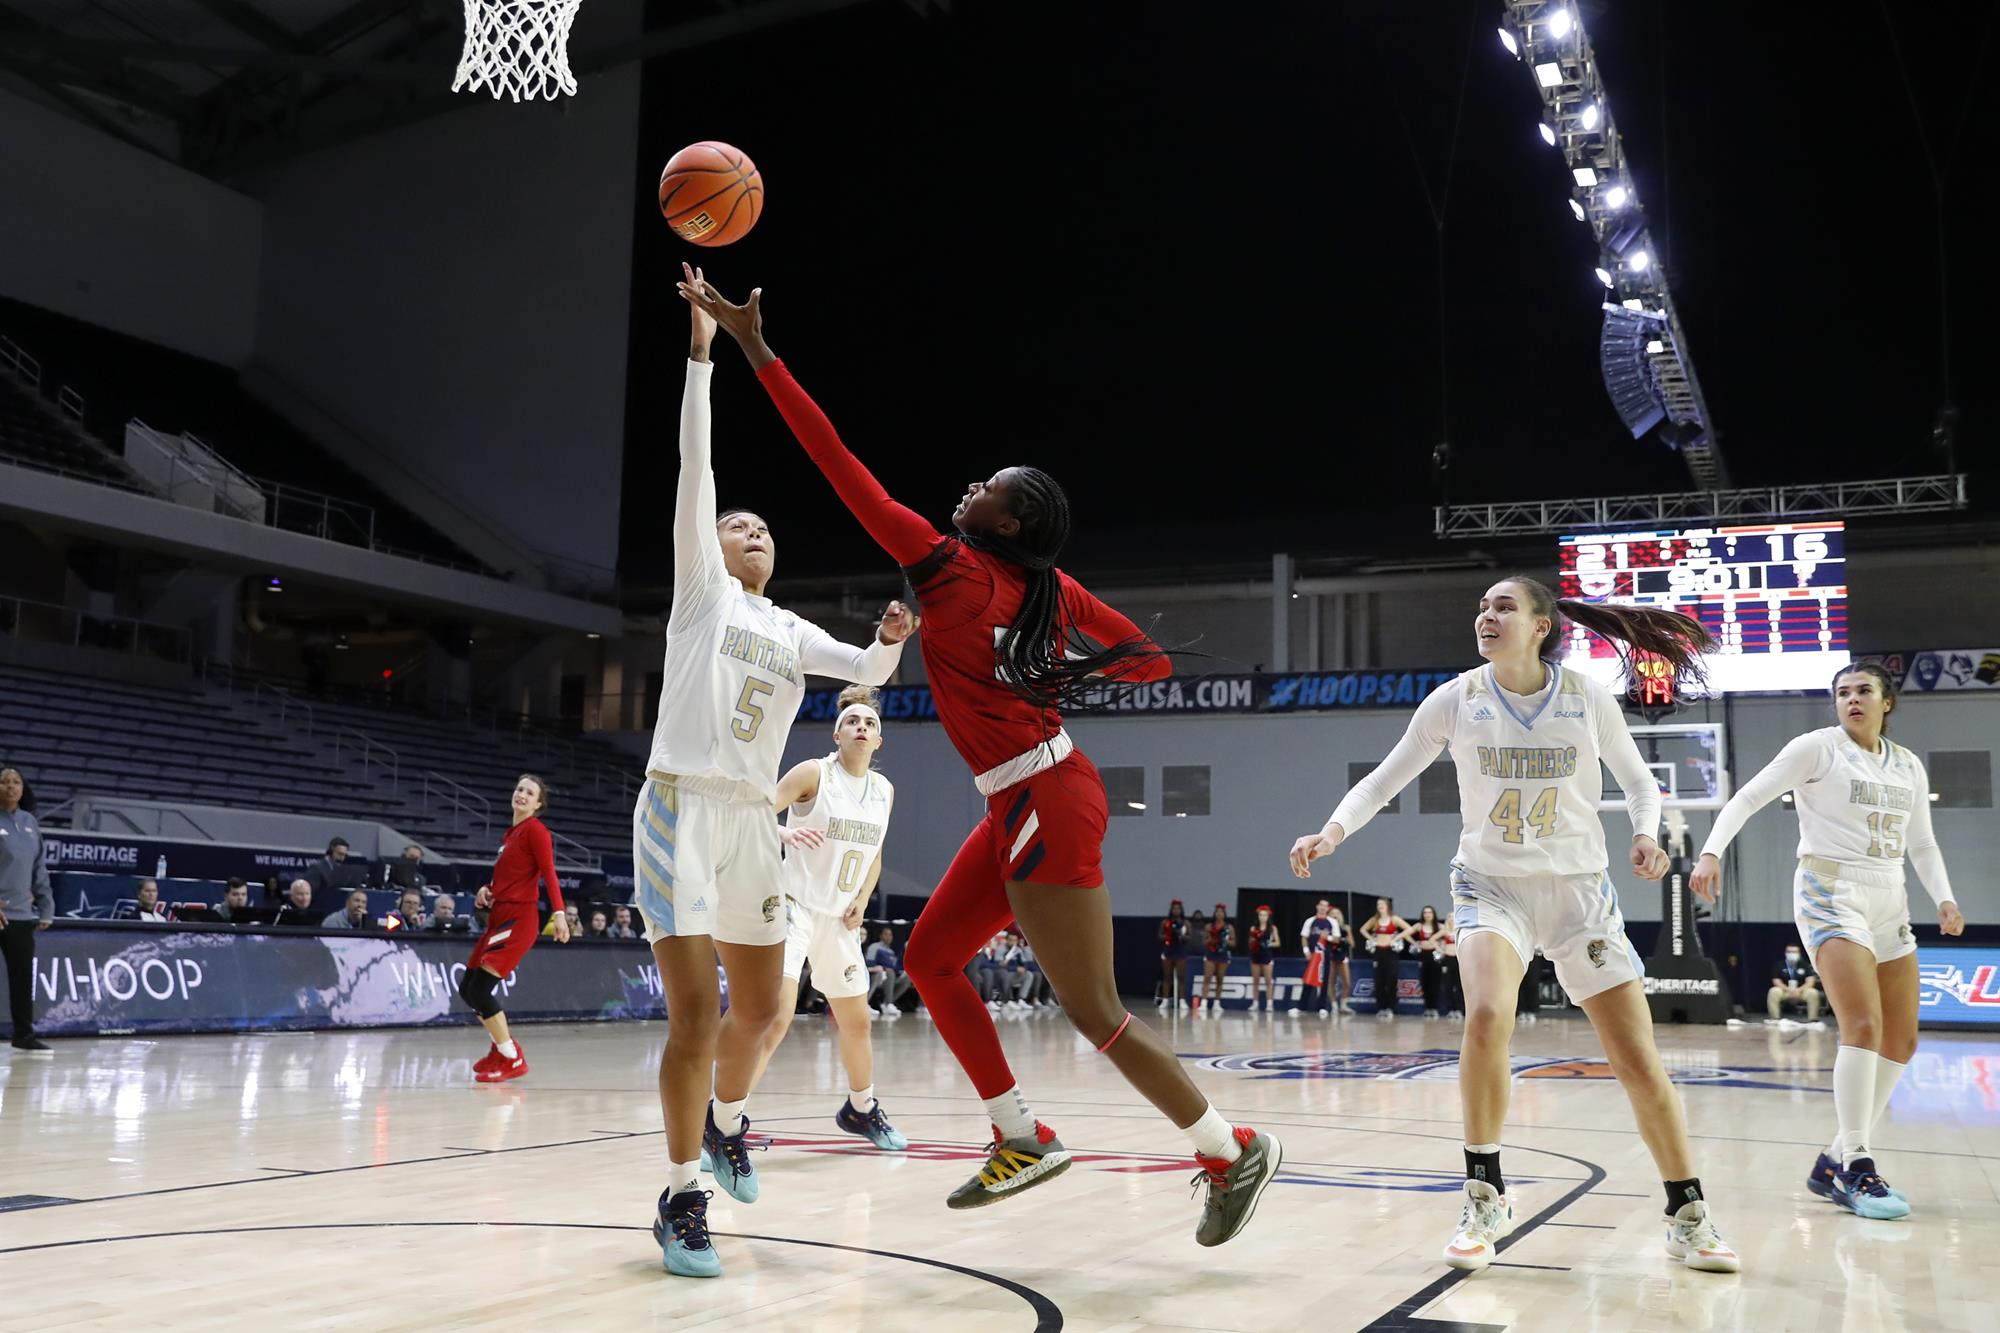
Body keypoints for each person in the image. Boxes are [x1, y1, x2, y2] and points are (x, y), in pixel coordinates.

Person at [690, 273, 1281, 1248]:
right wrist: (1045, 665)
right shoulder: (1049, 591)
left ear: (1005, 523)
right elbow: (1150, 661)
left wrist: (758, 350)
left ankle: (1229, 1147)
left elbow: (837, 463)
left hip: (1046, 797)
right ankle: (1019, 1133)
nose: (970, 488)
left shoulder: (949, 566)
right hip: (1027, 795)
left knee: (1094, 1009)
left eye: (988, 488)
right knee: (930, 958)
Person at [1289, 575, 1739, 1274]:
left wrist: (1646, 835)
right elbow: (1384, 778)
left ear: (1540, 626)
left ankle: (1688, 1213)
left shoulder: (1585, 697)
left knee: (1637, 1060)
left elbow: (1638, 782)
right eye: (1481, 607)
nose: (1486, 616)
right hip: (1489, 885)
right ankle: (1484, 1195)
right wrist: (1332, 831)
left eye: (1503, 607)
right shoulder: (1457, 698)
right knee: (1488, 1014)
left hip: (1579, 893)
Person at [639, 270, 914, 1280]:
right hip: (679, 807)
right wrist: (700, 354)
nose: (749, 530)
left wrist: (893, 638)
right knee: (695, 1015)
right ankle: (680, 1196)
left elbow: (870, 667)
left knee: (762, 1009)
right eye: (735, 524)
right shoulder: (700, 594)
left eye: (762, 528)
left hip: (753, 820)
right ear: (709, 547)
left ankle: (725, 1124)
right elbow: (697, 465)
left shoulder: (790, 630)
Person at [1690, 662, 1964, 1221]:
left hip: (1889, 896)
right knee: (1861, 1026)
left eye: (1864, 690)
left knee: (1902, 1041)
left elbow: (1923, 843)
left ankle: (1834, 1159)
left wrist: (1944, 897)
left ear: (1887, 701)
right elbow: (1746, 798)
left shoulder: (1906, 765)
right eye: (1842, 693)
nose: (1852, 700)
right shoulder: (1817, 748)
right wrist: (1711, 852)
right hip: (1830, 889)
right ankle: (1858, 1165)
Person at [736, 684, 911, 1153]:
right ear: (837, 734)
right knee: (775, 1018)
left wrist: (863, 899)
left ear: (879, 740)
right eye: (852, 722)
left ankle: (861, 1108)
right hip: (792, 905)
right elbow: (752, 812)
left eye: (869, 723)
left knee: (857, 1021)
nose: (861, 728)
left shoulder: (884, 791)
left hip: (838, 919)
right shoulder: (814, 773)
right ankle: (723, 1122)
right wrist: (783, 833)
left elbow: (874, 854)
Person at [461, 775, 569, 1084]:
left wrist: (559, 914)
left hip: (519, 920)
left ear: (538, 804)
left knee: (479, 990)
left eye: (530, 793)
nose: (522, 794)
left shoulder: (536, 830)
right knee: (467, 989)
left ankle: (512, 1057)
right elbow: (510, 877)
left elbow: (549, 872)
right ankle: (501, 1048)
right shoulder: (511, 835)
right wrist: (488, 889)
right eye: (520, 789)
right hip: (500, 915)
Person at [0, 766, 54, 1057]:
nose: (10, 787)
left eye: (16, 782)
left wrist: (46, 906)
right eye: (4, 782)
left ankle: (24, 1034)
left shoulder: (30, 822)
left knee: (22, 979)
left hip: (21, 915)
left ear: (23, 788)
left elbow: (39, 869)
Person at [1359, 898, 1411, 1019]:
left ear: (1388, 906)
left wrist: (1396, 938)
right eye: (1378, 904)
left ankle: (1390, 1007)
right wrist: (1372, 939)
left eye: (1382, 904)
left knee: (1391, 979)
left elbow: (1409, 929)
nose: (1380, 906)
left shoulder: (1394, 919)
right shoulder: (1375, 919)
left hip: (1391, 952)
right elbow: (1362, 929)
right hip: (1378, 952)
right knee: (1379, 980)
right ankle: (1381, 1007)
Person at [1294, 899, 1338, 1015]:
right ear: (1317, 906)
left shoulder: (1332, 922)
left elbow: (1336, 939)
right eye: (1321, 905)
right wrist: (1306, 951)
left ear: (1328, 908)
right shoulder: (1310, 921)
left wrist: (1327, 937)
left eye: (1325, 906)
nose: (1323, 908)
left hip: (1325, 955)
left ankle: (1322, 1007)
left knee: (1324, 980)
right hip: (1313, 955)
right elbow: (1304, 937)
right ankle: (1302, 1007)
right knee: (1308, 979)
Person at [304, 837, 368, 908]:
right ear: (331, 852)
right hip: (318, 909)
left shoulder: (342, 872)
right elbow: (310, 893)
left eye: (344, 855)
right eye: (339, 854)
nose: (341, 858)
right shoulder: (317, 868)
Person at [1767, 944, 1822, 1023]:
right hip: (1785, 991)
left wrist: (1798, 990)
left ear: (1799, 953)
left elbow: (1810, 982)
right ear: (1785, 953)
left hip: (1801, 991)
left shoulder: (1805, 965)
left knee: (1813, 993)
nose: (1792, 954)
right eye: (1789, 952)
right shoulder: (1779, 965)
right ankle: (1775, 1019)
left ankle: (1813, 1020)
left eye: (1794, 952)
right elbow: (1776, 981)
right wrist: (1788, 989)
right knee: (1773, 991)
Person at [1411, 905, 1447, 1018]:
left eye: (1430, 912)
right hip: (1423, 955)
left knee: (1435, 983)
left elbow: (1450, 933)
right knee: (1424, 982)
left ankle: (1434, 1008)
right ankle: (1427, 1008)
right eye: (1425, 912)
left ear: (1433, 914)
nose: (1427, 914)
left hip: (1435, 955)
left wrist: (1442, 947)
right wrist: (1415, 943)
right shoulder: (1419, 926)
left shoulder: (1440, 926)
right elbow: (1406, 933)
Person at [1200, 903, 1235, 1015]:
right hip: (1211, 954)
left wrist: (1225, 940)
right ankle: (1203, 1002)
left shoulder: (1229, 927)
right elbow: (1204, 941)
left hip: (1222, 955)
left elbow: (1233, 943)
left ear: (1224, 914)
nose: (1219, 914)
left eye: (1221, 912)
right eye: (1217, 912)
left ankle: (1217, 1003)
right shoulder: (1209, 926)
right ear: (1214, 914)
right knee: (1207, 978)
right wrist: (1211, 939)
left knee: (1220, 979)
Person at [867, 926, 912, 1012]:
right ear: (880, 935)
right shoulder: (874, 947)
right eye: (886, 934)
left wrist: (902, 972)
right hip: (880, 975)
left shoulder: (891, 952)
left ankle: (887, 1003)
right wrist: (884, 968)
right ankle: (888, 1004)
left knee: (908, 978)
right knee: (890, 973)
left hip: (891, 977)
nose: (888, 937)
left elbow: (895, 968)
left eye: (890, 935)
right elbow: (869, 963)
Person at [1245, 905, 1280, 1013]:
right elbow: (1250, 942)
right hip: (1256, 956)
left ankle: (1269, 1004)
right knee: (1255, 981)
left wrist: (1268, 944)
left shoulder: (1272, 928)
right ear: (1258, 916)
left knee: (1268, 981)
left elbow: (1278, 943)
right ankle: (1255, 1003)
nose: (1263, 917)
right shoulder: (1253, 928)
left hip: (1267, 956)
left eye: (1265, 915)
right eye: (1261, 915)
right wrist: (1254, 943)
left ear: (1268, 916)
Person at [1157, 899, 1189, 1009]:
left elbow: (1189, 937)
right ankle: (1165, 1000)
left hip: (1180, 952)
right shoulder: (1165, 923)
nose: (1176, 910)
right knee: (1167, 977)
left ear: (1181, 910)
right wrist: (1168, 935)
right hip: (1168, 951)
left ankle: (1182, 1000)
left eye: (1178, 908)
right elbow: (1159, 936)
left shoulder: (1185, 923)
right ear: (1171, 910)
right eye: (1174, 908)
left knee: (1181, 977)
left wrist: (1182, 936)